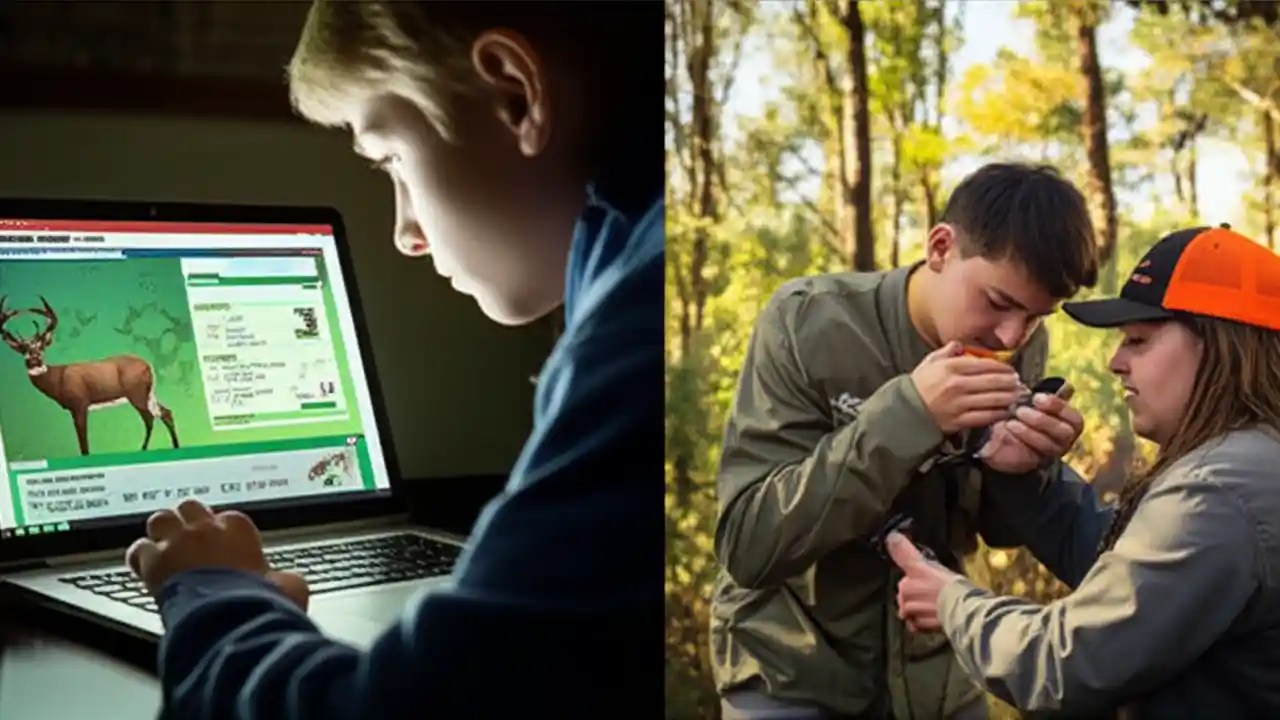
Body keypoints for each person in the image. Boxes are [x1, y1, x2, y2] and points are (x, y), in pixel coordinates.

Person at [122, 2, 663, 718]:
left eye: (392, 161)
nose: (405, 232)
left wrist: (214, 591)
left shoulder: (647, 323)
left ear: (513, 94)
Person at [710, 162, 1102, 719]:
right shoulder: (806, 323)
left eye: (1035, 318)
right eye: (997, 302)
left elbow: (994, 531)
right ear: (941, 247)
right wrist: (908, 416)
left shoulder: (1016, 347)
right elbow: (750, 544)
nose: (1012, 337)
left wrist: (1022, 471)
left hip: (939, 674)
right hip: (790, 666)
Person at [890, 224, 1280, 718]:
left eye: (1138, 340)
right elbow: (1128, 572)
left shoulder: (1219, 490)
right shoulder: (1254, 462)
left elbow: (1070, 664)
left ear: (1221, 349)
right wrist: (1024, 477)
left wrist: (951, 602)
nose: (1116, 362)